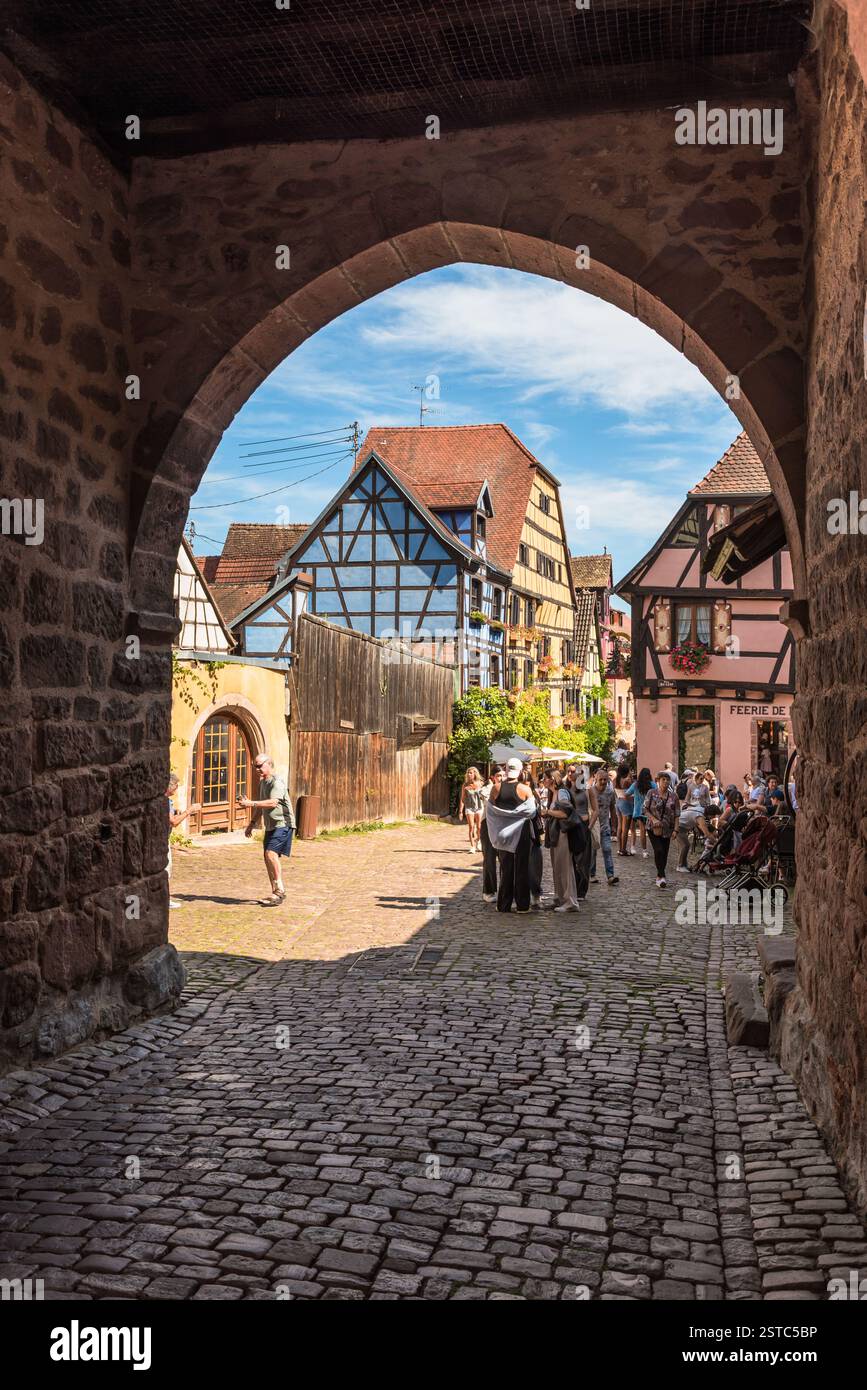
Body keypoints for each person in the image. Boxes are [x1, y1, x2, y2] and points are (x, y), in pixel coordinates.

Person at [239, 752, 296, 906]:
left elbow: (272, 803)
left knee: (270, 854)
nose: (257, 769)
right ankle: (275, 893)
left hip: (283, 824)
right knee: (267, 857)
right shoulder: (263, 782)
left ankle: (279, 891)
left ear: (269, 764)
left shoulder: (277, 782)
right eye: (254, 766)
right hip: (271, 825)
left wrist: (251, 803)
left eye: (259, 766)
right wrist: (251, 824)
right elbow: (261, 805)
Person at [486, 757, 536, 914]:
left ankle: (504, 904)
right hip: (521, 832)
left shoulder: (496, 788)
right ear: (521, 771)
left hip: (503, 833)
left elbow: (491, 810)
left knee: (506, 868)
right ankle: (522, 905)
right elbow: (532, 812)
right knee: (522, 867)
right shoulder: (525, 789)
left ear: (506, 770)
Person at [542, 770, 580, 912]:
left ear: (552, 779)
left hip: (563, 833)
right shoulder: (554, 793)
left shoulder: (562, 793)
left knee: (565, 867)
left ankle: (570, 901)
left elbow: (565, 813)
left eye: (544, 778)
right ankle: (560, 898)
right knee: (557, 866)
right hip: (556, 833)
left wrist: (547, 812)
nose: (542, 781)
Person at [165, 773, 200, 910]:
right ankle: (164, 899)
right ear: (170, 786)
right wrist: (189, 811)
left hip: (161, 840)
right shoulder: (165, 800)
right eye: (176, 786)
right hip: (162, 841)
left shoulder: (165, 800)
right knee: (166, 870)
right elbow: (173, 822)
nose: (177, 788)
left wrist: (175, 810)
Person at [644, 771, 681, 888]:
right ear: (658, 781)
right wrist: (653, 819)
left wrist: (675, 830)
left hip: (667, 829)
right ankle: (661, 875)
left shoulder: (674, 796)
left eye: (667, 779)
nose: (665, 781)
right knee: (658, 850)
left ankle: (660, 876)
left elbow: (676, 814)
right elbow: (645, 809)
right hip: (652, 827)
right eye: (663, 779)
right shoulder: (652, 793)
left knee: (664, 853)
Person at [674, 770, 716, 872]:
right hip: (682, 822)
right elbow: (688, 798)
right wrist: (716, 841)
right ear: (696, 778)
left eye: (703, 778)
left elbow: (707, 799)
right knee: (685, 845)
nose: (702, 780)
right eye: (701, 778)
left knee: (685, 845)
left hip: (697, 810)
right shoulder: (691, 787)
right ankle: (680, 866)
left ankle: (684, 865)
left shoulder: (705, 788)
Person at [565, 764, 596, 897]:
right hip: (571, 826)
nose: (573, 774)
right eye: (570, 772)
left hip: (584, 825)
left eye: (576, 772)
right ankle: (573, 888)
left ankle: (582, 891)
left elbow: (595, 810)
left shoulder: (588, 790)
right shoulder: (566, 790)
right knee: (571, 859)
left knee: (583, 861)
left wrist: (589, 826)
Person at [590, 766, 619, 886]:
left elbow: (612, 809)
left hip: (605, 825)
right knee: (593, 851)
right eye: (601, 779)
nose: (603, 782)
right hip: (593, 826)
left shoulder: (610, 792)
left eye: (605, 780)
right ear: (596, 779)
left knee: (607, 850)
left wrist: (614, 826)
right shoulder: (590, 791)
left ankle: (610, 876)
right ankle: (592, 874)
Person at [479, 768, 502, 903]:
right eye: (499, 775)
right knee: (489, 858)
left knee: (505, 858)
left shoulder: (507, 789)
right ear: (492, 777)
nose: (501, 778)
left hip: (502, 825)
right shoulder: (486, 789)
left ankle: (505, 888)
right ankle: (489, 890)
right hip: (488, 824)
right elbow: (492, 804)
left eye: (503, 775)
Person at [625, 767, 654, 858]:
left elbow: (626, 794)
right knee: (652, 831)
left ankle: (644, 851)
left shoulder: (635, 785)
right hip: (650, 811)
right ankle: (652, 849)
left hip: (638, 811)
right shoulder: (653, 785)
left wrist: (632, 799)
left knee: (642, 831)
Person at [459, 766, 485, 852]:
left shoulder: (480, 783)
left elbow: (485, 795)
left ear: (475, 774)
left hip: (479, 807)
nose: (469, 774)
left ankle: (479, 841)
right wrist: (460, 811)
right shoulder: (465, 785)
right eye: (468, 773)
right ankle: (472, 846)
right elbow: (462, 799)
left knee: (479, 827)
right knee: (471, 827)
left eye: (471, 773)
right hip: (469, 807)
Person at [614, 763, 634, 856]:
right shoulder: (627, 781)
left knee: (619, 826)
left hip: (618, 802)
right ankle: (623, 850)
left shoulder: (615, 779)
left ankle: (619, 848)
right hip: (626, 804)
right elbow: (632, 790)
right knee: (626, 828)